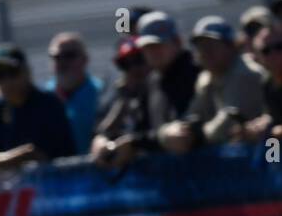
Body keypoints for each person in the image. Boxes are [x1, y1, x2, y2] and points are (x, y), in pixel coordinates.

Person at [103, 12, 200, 164]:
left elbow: (186, 131)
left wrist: (137, 142)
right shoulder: (151, 82)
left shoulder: (196, 75)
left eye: (159, 45)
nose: (153, 52)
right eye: (148, 47)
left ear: (177, 42)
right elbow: (141, 128)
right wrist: (105, 140)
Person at [0, 43, 77, 171]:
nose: (7, 81)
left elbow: (37, 153)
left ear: (27, 72)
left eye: (13, 72)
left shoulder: (48, 103)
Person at [184, 16, 266, 149]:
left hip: (270, 152)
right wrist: (180, 132)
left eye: (212, 45)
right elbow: (193, 115)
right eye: (201, 46)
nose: (205, 52)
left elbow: (228, 124)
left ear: (231, 46)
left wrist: (193, 137)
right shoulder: (206, 78)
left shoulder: (245, 73)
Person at [92, 37, 151, 167]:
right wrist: (122, 101)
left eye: (139, 60)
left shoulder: (159, 93)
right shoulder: (119, 97)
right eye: (125, 64)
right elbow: (103, 131)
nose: (133, 69)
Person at [46, 33, 101, 155]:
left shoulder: (100, 94)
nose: (62, 62)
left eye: (69, 56)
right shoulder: (45, 97)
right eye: (57, 57)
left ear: (85, 59)